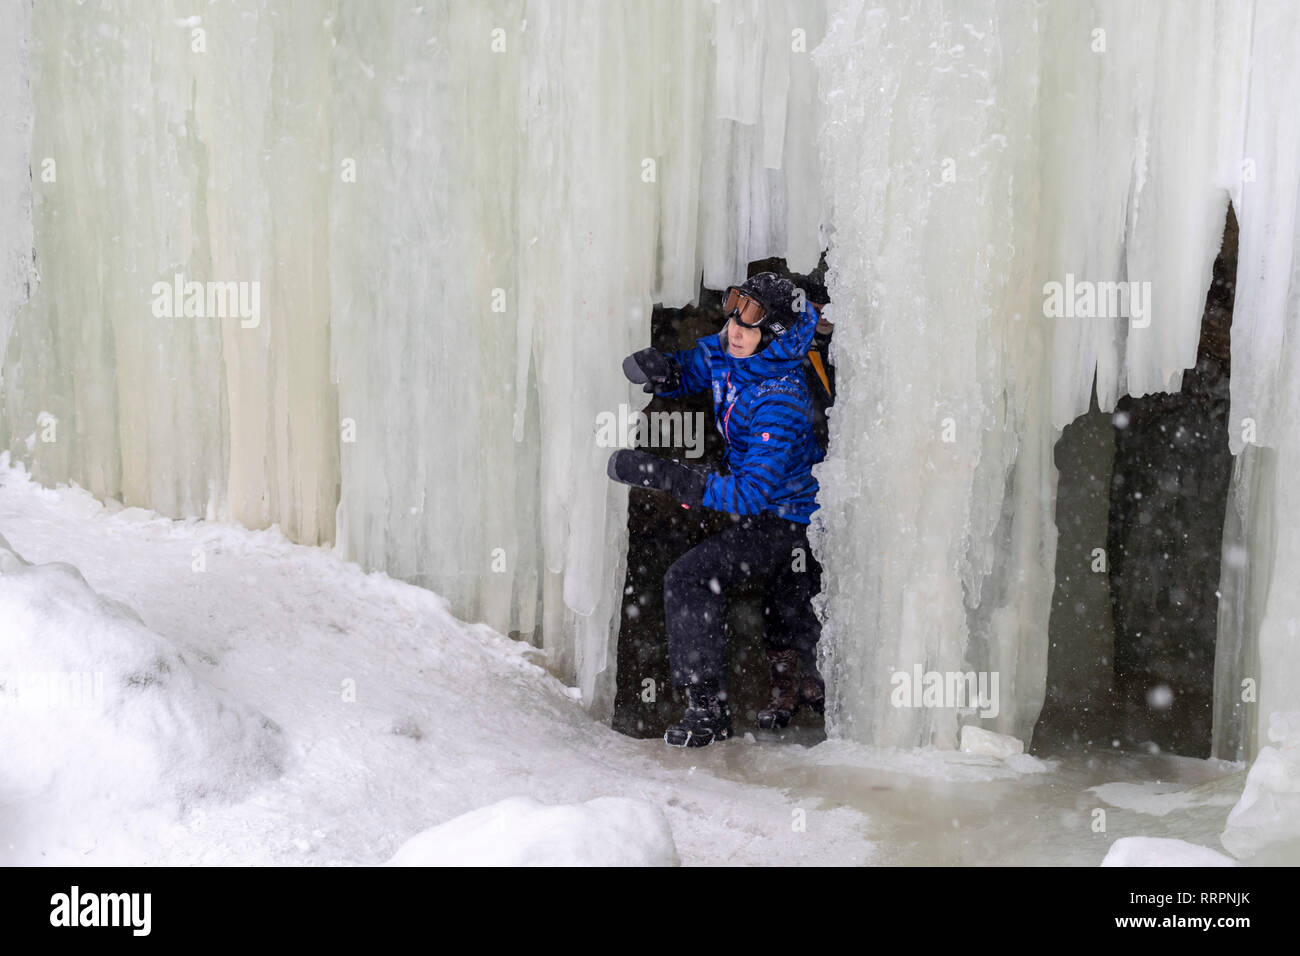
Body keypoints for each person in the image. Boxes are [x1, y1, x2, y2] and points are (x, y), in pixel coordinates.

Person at [607, 272, 827, 747]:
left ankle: (707, 709)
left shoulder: (780, 401)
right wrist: (666, 370)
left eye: (748, 323)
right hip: (754, 499)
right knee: (775, 597)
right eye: (732, 314)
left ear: (777, 336)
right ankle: (796, 676)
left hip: (788, 519)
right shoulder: (735, 348)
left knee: (690, 576)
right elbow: (700, 362)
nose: (733, 329)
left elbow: (750, 495)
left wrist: (663, 476)